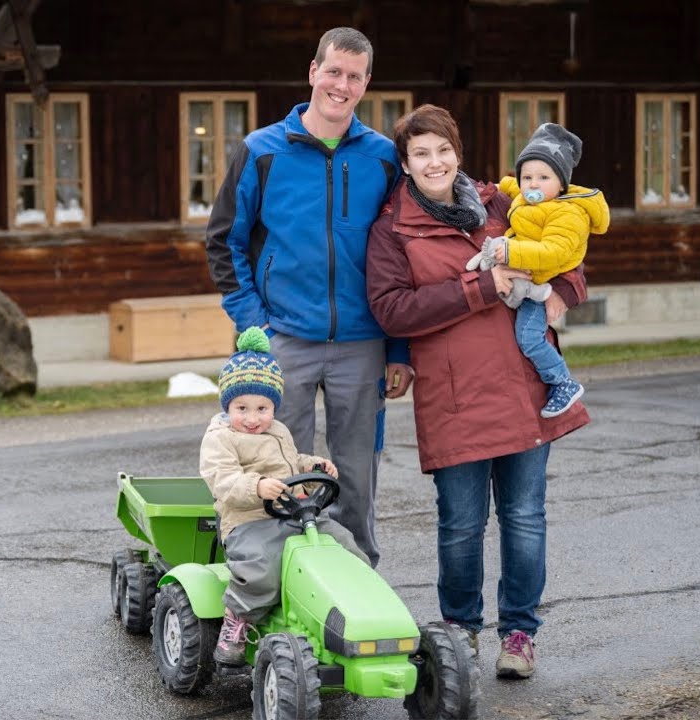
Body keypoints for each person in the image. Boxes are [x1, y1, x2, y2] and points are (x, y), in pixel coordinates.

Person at [365, 105, 591, 679]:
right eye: (421, 153)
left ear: (458, 153)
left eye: (443, 150)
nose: (434, 162)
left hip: (523, 385)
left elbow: (567, 240)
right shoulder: (392, 228)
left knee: (524, 517)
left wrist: (565, 289)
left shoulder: (501, 203)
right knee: (461, 525)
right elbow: (393, 309)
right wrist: (481, 287)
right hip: (454, 394)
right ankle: (459, 632)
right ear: (405, 163)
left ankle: (519, 634)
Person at [205, 27, 413, 569]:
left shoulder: (384, 158)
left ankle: (357, 575)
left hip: (363, 341)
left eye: (354, 76)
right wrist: (254, 325)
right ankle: (278, 581)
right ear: (314, 71)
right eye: (333, 71)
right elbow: (224, 241)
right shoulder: (261, 151)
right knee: (277, 471)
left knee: (356, 474)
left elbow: (401, 255)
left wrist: (398, 348)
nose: (341, 85)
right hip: (284, 339)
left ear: (366, 83)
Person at [199, 327, 369, 666]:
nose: (252, 418)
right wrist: (257, 486)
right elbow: (223, 480)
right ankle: (237, 620)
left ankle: (358, 611)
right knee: (261, 567)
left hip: (297, 515)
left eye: (262, 408)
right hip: (249, 522)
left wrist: (314, 466)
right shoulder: (220, 438)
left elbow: (292, 463)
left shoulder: (278, 431)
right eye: (242, 408)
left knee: (346, 547)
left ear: (273, 406)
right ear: (227, 404)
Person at [465, 123, 610, 418]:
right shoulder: (528, 196)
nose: (533, 184)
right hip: (527, 278)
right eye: (527, 177)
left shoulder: (567, 212)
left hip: (540, 286)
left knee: (529, 338)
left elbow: (554, 251)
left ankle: (562, 381)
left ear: (561, 183)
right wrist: (486, 187)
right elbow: (507, 185)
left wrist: (511, 252)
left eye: (543, 177)